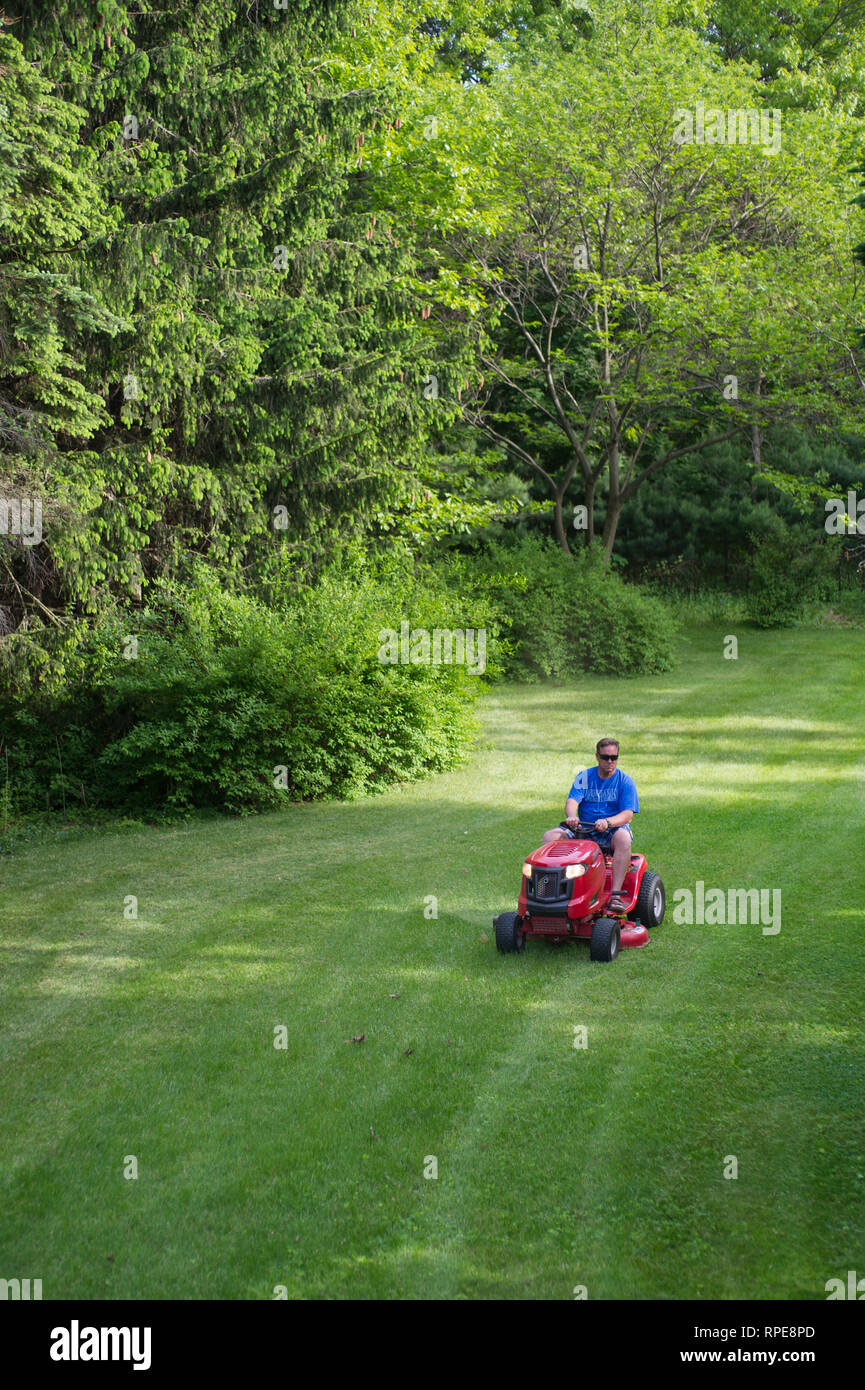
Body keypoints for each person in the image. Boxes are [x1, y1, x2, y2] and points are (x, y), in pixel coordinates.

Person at [541, 738, 638, 912]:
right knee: (550, 837)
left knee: (623, 838)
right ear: (597, 756)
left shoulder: (625, 781)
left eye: (614, 757)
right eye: (605, 757)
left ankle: (615, 895)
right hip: (584, 829)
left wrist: (608, 822)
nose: (610, 761)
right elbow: (571, 801)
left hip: (612, 830)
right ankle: (548, 891)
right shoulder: (584, 777)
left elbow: (627, 815)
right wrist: (572, 817)